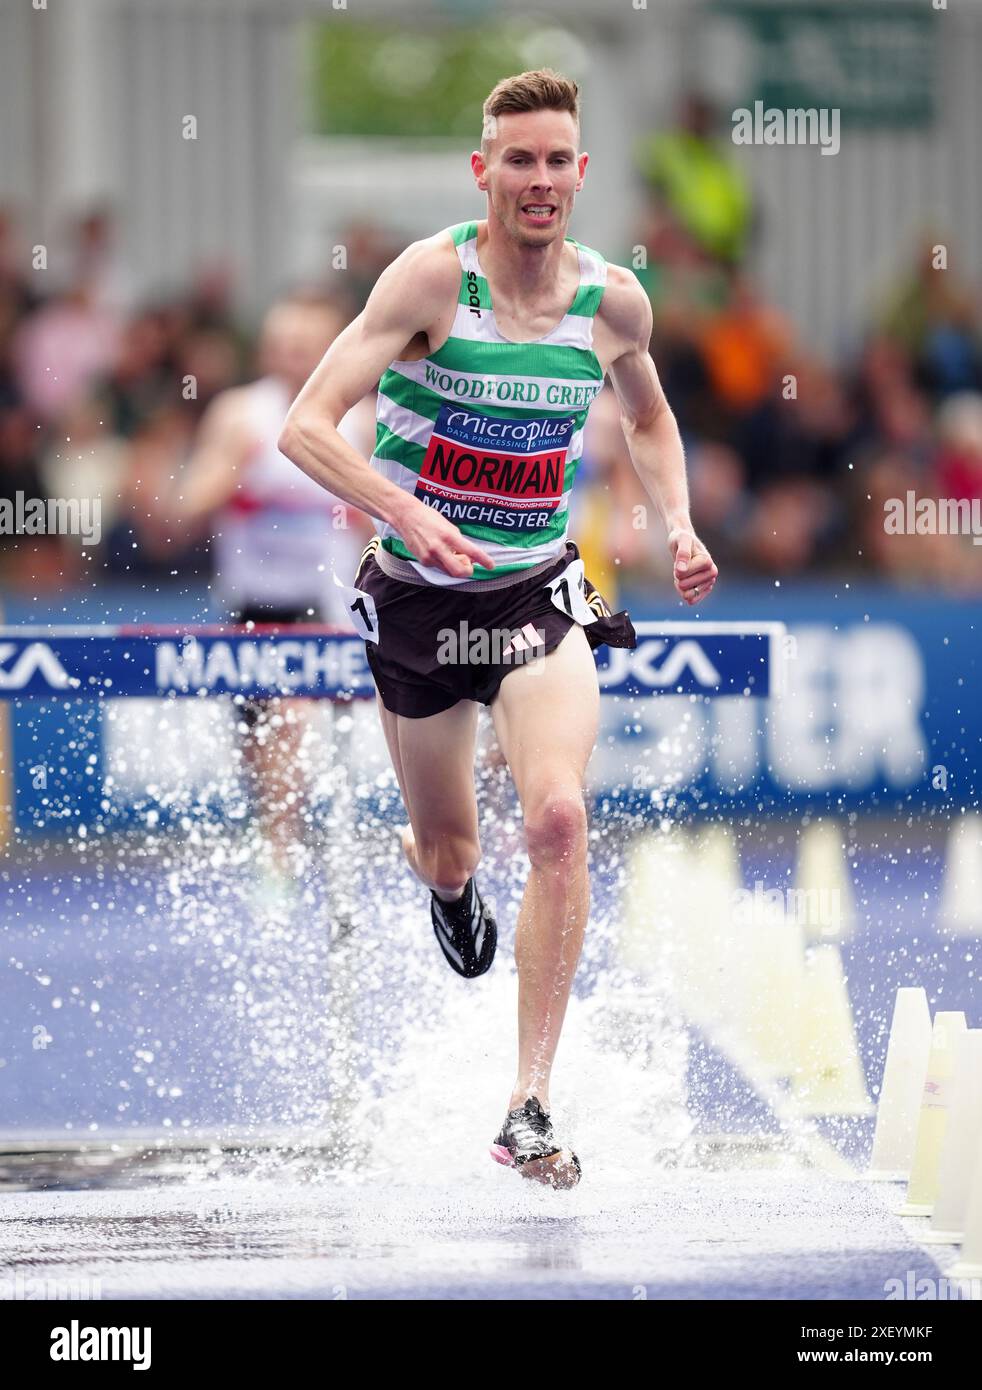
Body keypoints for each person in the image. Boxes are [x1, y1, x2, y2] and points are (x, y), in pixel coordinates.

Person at [278, 70, 718, 1186]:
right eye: (514, 160)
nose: (536, 180)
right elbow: (305, 427)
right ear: (484, 171)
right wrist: (408, 508)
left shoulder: (614, 301)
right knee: (449, 845)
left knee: (559, 820)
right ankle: (445, 888)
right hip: (419, 601)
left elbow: (652, 415)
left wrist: (676, 521)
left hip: (535, 593)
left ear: (580, 172)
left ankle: (528, 1101)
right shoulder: (434, 277)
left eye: (555, 159)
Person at [173, 290, 374, 913]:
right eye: (281, 344)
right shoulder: (239, 414)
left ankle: (285, 855)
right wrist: (236, 466)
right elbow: (184, 509)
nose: (291, 356)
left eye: (304, 345)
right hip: (251, 599)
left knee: (292, 722)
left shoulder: (359, 418)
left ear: (328, 350)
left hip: (324, 600)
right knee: (259, 746)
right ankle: (277, 836)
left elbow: (379, 519)